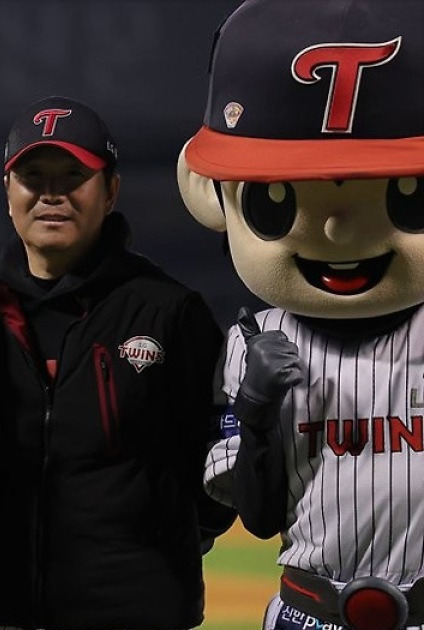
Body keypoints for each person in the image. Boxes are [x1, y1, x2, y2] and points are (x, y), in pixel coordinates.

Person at [179, 1, 424, 627]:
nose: (338, 229)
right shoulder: (253, 342)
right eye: (274, 200)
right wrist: (255, 417)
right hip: (307, 612)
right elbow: (258, 521)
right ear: (211, 194)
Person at [0, 96, 236, 629]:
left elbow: (218, 462)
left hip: (137, 607)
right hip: (6, 607)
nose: (51, 193)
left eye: (73, 175)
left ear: (111, 190)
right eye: (32, 175)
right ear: (7, 191)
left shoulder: (168, 311)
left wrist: (161, 544)